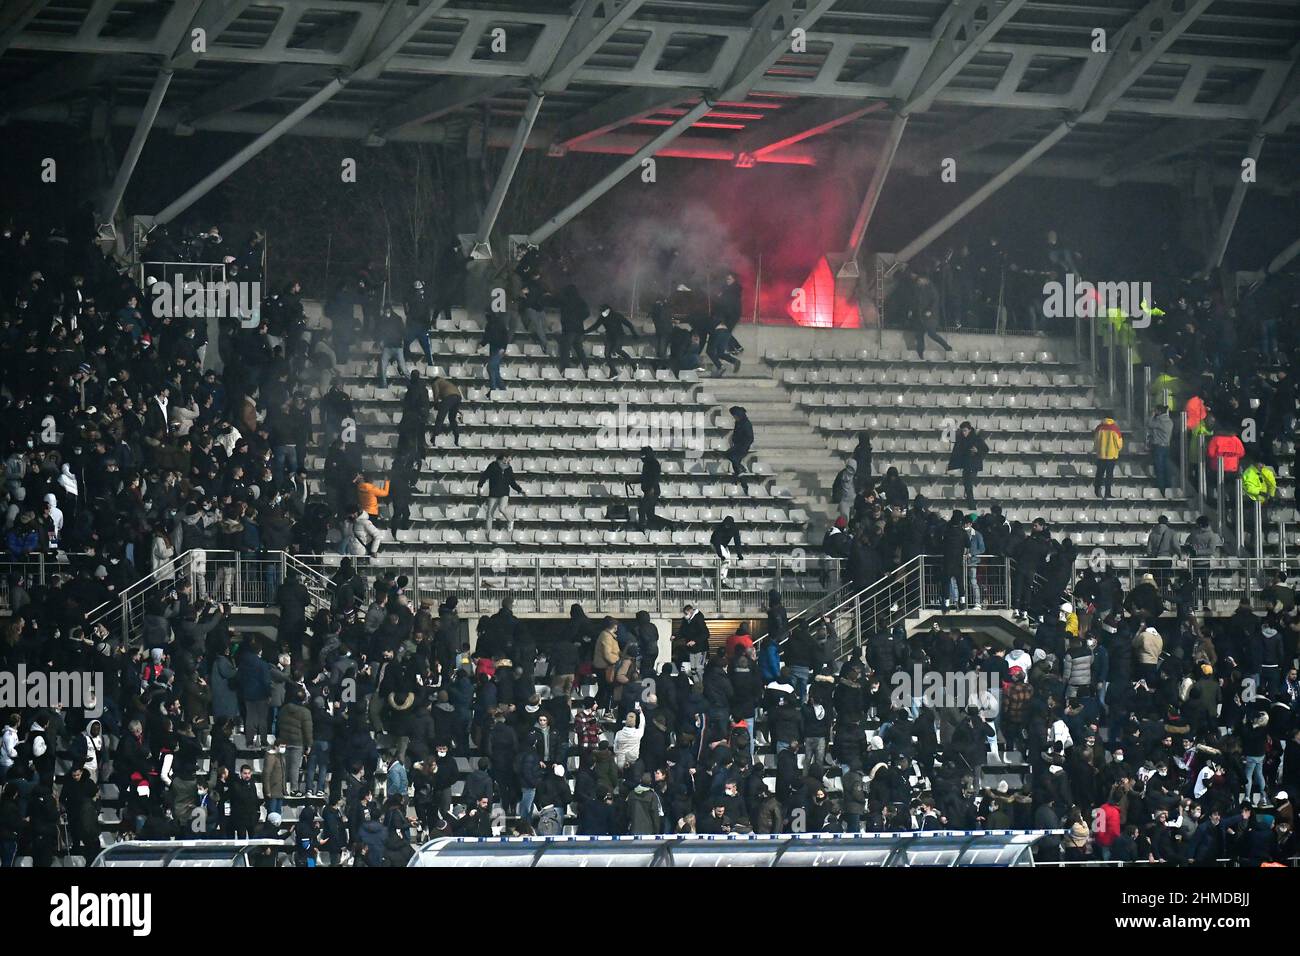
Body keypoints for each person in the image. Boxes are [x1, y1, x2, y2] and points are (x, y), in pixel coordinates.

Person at [946, 421, 988, 510]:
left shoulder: (976, 438)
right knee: (967, 486)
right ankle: (971, 505)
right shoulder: (961, 437)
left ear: (969, 430)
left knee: (968, 486)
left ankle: (972, 507)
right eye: (962, 431)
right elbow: (950, 436)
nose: (963, 433)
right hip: (966, 466)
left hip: (973, 466)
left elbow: (986, 449)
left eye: (965, 431)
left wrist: (977, 451)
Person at [478, 453, 523, 534]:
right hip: (493, 493)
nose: (509, 460)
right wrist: (479, 486)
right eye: (507, 458)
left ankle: (510, 520)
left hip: (504, 493)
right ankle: (488, 533)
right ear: (502, 458)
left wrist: (519, 490)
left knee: (502, 509)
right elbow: (484, 476)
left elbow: (512, 482)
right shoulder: (493, 466)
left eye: (509, 459)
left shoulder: (509, 468)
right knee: (489, 514)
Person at [1092, 413, 1123, 499]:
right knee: (1109, 475)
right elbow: (1119, 444)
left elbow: (1095, 441)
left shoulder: (1099, 428)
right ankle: (1107, 493)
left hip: (1101, 455)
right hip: (1111, 456)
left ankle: (1096, 491)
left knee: (1099, 474)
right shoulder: (1115, 428)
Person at [725, 405, 753, 495]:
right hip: (737, 445)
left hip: (743, 446)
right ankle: (741, 474)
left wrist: (743, 446)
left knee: (733, 459)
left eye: (735, 416)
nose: (734, 418)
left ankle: (743, 483)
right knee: (734, 462)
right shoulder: (738, 423)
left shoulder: (747, 423)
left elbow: (750, 438)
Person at [480, 309, 509, 394]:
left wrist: (503, 348)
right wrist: (482, 344)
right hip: (493, 348)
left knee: (490, 367)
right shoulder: (489, 325)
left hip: (498, 349)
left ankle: (492, 389)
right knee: (495, 371)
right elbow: (487, 337)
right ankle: (503, 390)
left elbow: (505, 337)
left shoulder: (499, 324)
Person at [1147, 405, 1173, 496]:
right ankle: (1168, 488)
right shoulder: (1169, 421)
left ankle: (1161, 489)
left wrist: (1152, 415)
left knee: (1159, 469)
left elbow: (1149, 424)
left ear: (1159, 411)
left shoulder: (1159, 421)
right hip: (1167, 447)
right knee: (1166, 468)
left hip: (1159, 447)